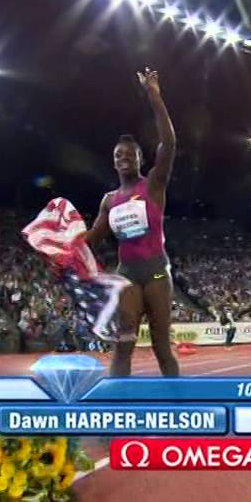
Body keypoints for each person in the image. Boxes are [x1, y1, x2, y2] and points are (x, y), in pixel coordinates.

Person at [83, 68, 179, 378]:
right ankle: (116, 413)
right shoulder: (109, 200)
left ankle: (180, 411)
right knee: (123, 346)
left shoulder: (152, 185)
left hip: (156, 274)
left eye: (130, 154)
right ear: (113, 161)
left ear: (139, 158)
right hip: (126, 277)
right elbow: (92, 239)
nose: (124, 157)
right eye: (118, 154)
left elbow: (169, 144)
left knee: (162, 347)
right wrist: (61, 248)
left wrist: (154, 95)